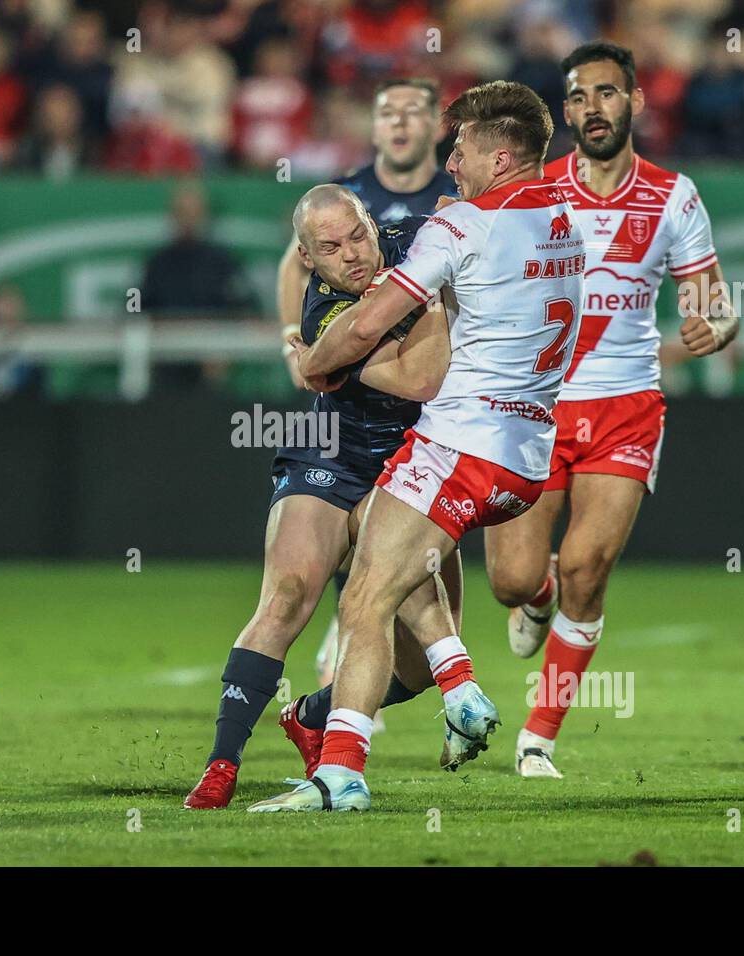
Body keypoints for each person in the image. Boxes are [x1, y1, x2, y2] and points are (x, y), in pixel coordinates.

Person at [249, 80, 584, 813]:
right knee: (402, 584)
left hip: (458, 446)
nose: (450, 159)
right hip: (528, 459)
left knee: (365, 598)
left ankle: (342, 774)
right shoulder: (567, 218)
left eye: (460, 147)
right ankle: (454, 684)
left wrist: (309, 358)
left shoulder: (458, 228)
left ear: (499, 155)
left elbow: (368, 326)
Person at [183, 186, 499, 809]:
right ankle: (222, 764)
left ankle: (312, 716)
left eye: (358, 235)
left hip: (422, 457)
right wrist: (436, 301)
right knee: (289, 595)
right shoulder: (324, 317)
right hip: (335, 451)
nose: (353, 255)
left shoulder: (416, 237)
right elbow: (420, 378)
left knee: (413, 668)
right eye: (331, 248)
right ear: (307, 257)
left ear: (370, 223)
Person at [485, 41, 737, 779]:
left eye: (607, 93)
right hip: (535, 407)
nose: (593, 108)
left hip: (627, 405)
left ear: (635, 102)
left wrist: (713, 328)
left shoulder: (674, 196)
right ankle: (532, 598)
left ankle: (538, 737)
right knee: (512, 579)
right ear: (565, 112)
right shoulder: (535, 192)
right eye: (579, 97)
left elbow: (715, 307)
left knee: (589, 568)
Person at [275, 77, 456, 691]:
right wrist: (295, 342)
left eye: (413, 112)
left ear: (435, 127)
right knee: (378, 589)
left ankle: (527, 590)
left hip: (453, 423)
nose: (400, 123)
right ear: (375, 126)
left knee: (482, 589)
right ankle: (344, 732)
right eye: (388, 112)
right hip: (383, 428)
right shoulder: (347, 196)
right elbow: (292, 266)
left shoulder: (454, 198)